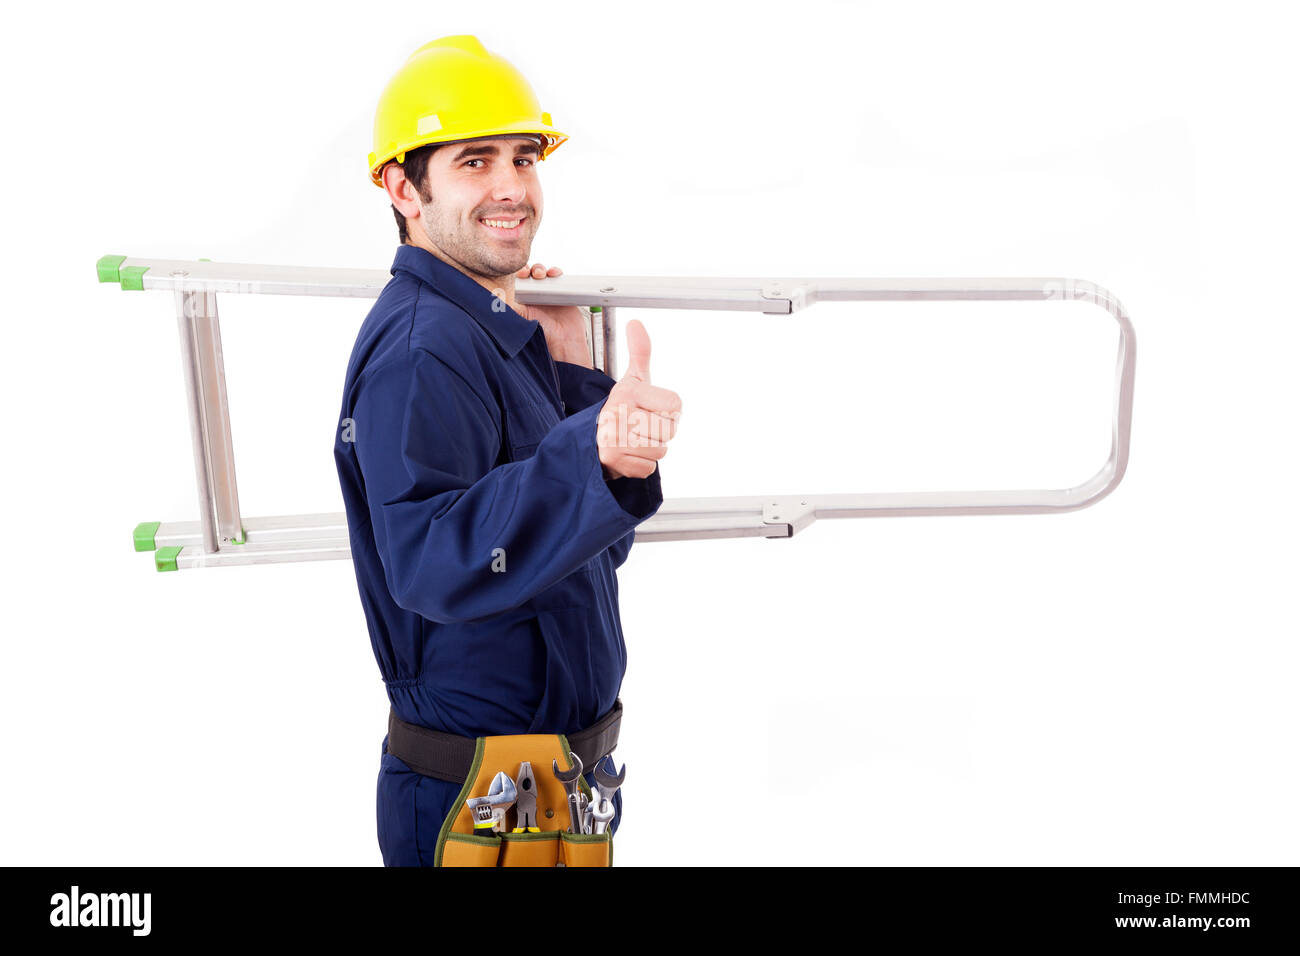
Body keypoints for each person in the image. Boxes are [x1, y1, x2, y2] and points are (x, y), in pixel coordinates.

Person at [334, 35, 682, 865]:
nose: (511, 188)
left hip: (562, 788)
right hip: (478, 802)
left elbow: (580, 554)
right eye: (475, 162)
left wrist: (570, 381)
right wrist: (589, 453)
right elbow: (430, 562)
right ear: (401, 186)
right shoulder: (424, 351)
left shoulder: (494, 335)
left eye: (524, 159)